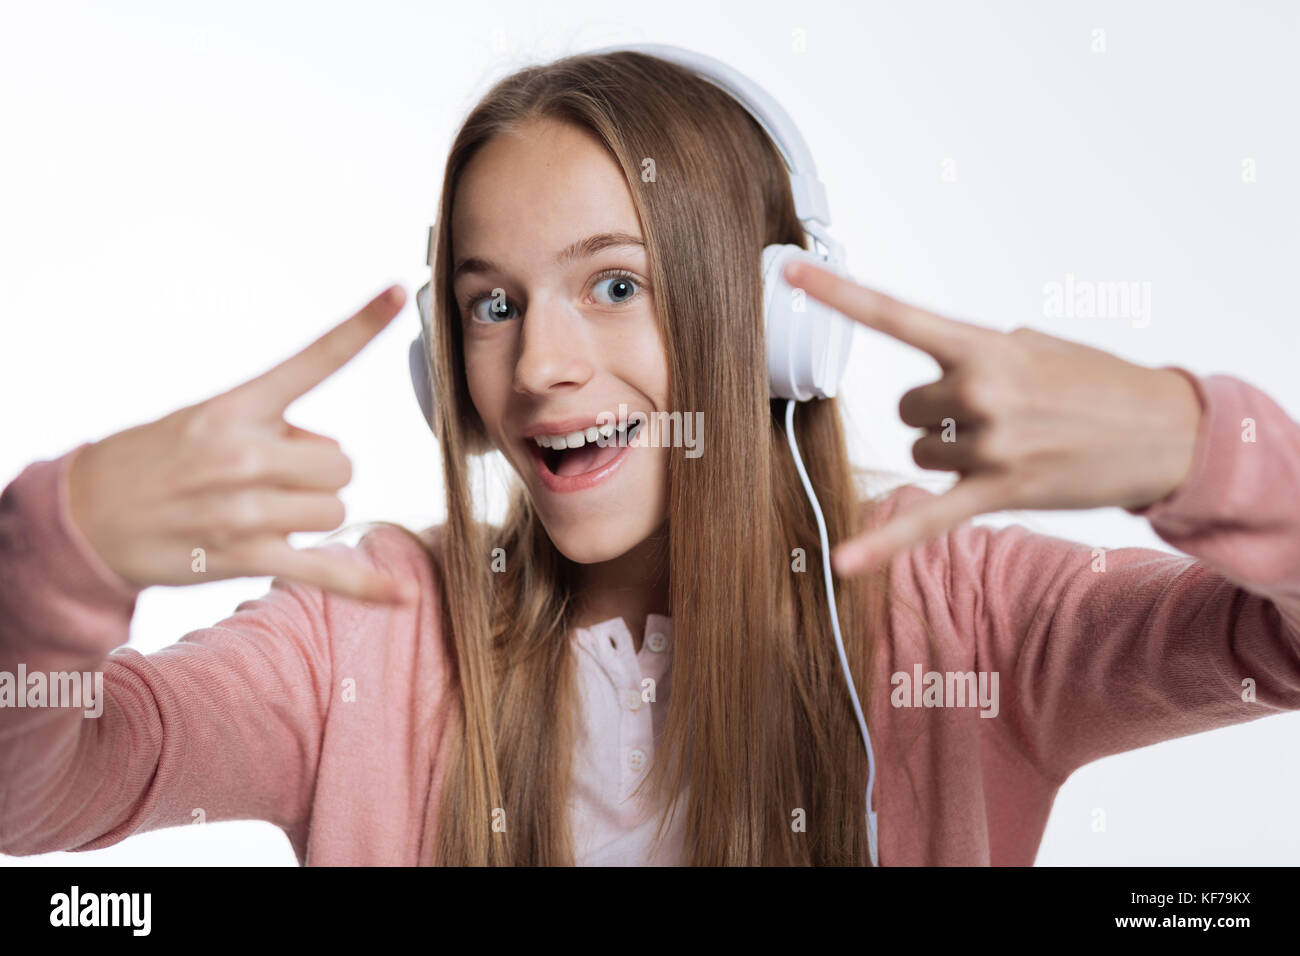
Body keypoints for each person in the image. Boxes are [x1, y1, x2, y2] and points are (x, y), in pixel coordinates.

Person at [1, 49, 1298, 867]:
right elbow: (38, 797)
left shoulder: (960, 618)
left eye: (613, 284)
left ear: (780, 320)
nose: (542, 365)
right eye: (491, 303)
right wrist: (51, 561)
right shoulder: (361, 638)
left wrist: (1200, 444)